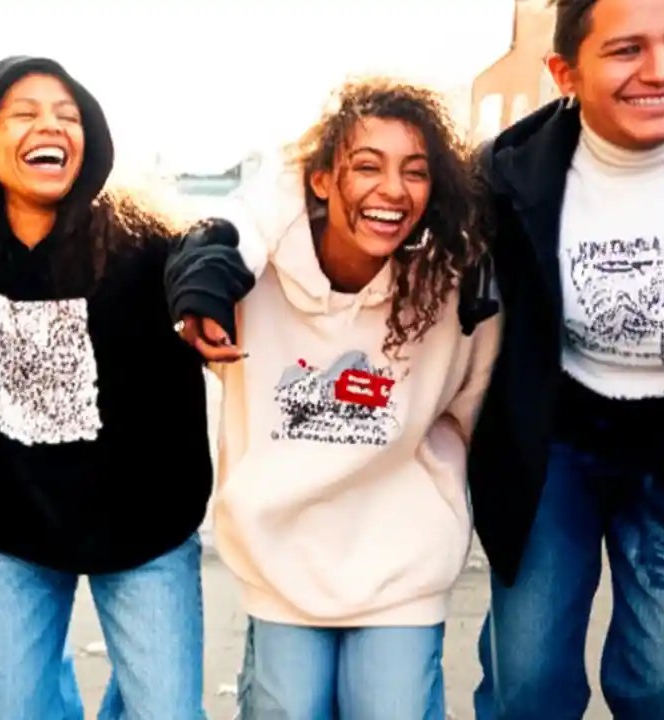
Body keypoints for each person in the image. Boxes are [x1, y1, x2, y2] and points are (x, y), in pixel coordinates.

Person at [0, 56, 251, 719]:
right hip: (14, 532)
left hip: (144, 531)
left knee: (167, 712)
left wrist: (204, 285)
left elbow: (206, 238)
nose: (50, 126)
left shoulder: (141, 240)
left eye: (67, 115)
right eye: (24, 114)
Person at [212, 78, 500, 718]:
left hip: (402, 570)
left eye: (415, 171)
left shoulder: (456, 290)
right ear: (316, 180)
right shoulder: (247, 278)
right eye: (366, 166)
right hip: (281, 565)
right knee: (289, 708)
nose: (393, 190)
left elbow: (473, 410)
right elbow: (248, 215)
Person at [470, 0, 664, 717]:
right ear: (565, 73)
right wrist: (215, 259)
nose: (660, 71)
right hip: (553, 445)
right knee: (529, 682)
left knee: (662, 683)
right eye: (626, 51)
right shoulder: (507, 173)